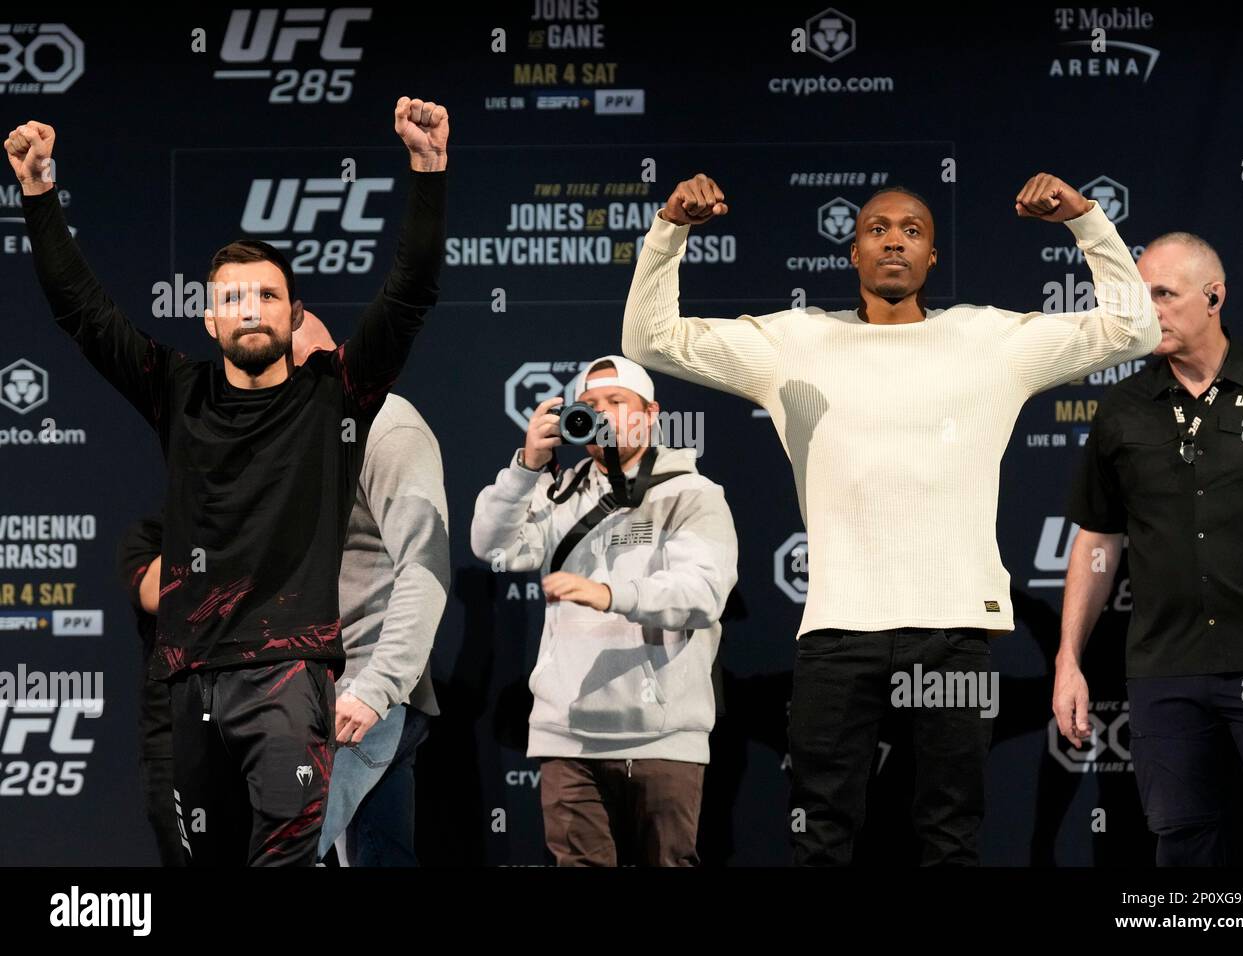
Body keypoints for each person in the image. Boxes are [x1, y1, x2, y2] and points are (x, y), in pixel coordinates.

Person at [622, 171, 1160, 865]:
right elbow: (649, 341)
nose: (895, 242)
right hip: (838, 630)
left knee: (950, 836)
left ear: (932, 256)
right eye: (877, 229)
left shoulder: (990, 341)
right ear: (853, 255)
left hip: (955, 630)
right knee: (821, 836)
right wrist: (670, 230)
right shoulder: (792, 345)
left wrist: (1085, 221)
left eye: (913, 231)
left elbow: (1134, 329)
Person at [7, 95, 449, 865]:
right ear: (209, 322)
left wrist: (427, 170)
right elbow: (81, 311)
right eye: (232, 299)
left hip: (288, 678)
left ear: (292, 313)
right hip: (187, 680)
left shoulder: (335, 395)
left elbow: (408, 293)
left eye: (268, 295)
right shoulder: (179, 392)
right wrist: (40, 195)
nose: (251, 309)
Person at [1055, 231, 1243, 866]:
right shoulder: (1123, 408)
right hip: (1167, 670)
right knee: (1185, 847)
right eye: (1139, 298)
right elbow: (1099, 538)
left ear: (1213, 296)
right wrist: (1068, 659)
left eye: (1162, 295)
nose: (1147, 312)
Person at [470, 356, 738, 865]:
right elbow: (491, 547)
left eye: (617, 403)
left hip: (663, 736)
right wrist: (524, 469)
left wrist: (612, 594)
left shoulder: (691, 494)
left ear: (651, 413)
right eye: (590, 406)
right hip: (567, 735)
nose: (603, 414)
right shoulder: (558, 493)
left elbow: (702, 593)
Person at [292, 311, 449, 867]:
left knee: (283, 857)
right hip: (311, 691)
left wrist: (376, 687)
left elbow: (424, 565)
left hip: (360, 694)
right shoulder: (299, 430)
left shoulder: (387, 424)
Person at [116, 513, 187, 867]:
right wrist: (204, 515)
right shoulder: (151, 534)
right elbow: (155, 595)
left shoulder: (260, 529)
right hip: (173, 740)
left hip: (255, 723)